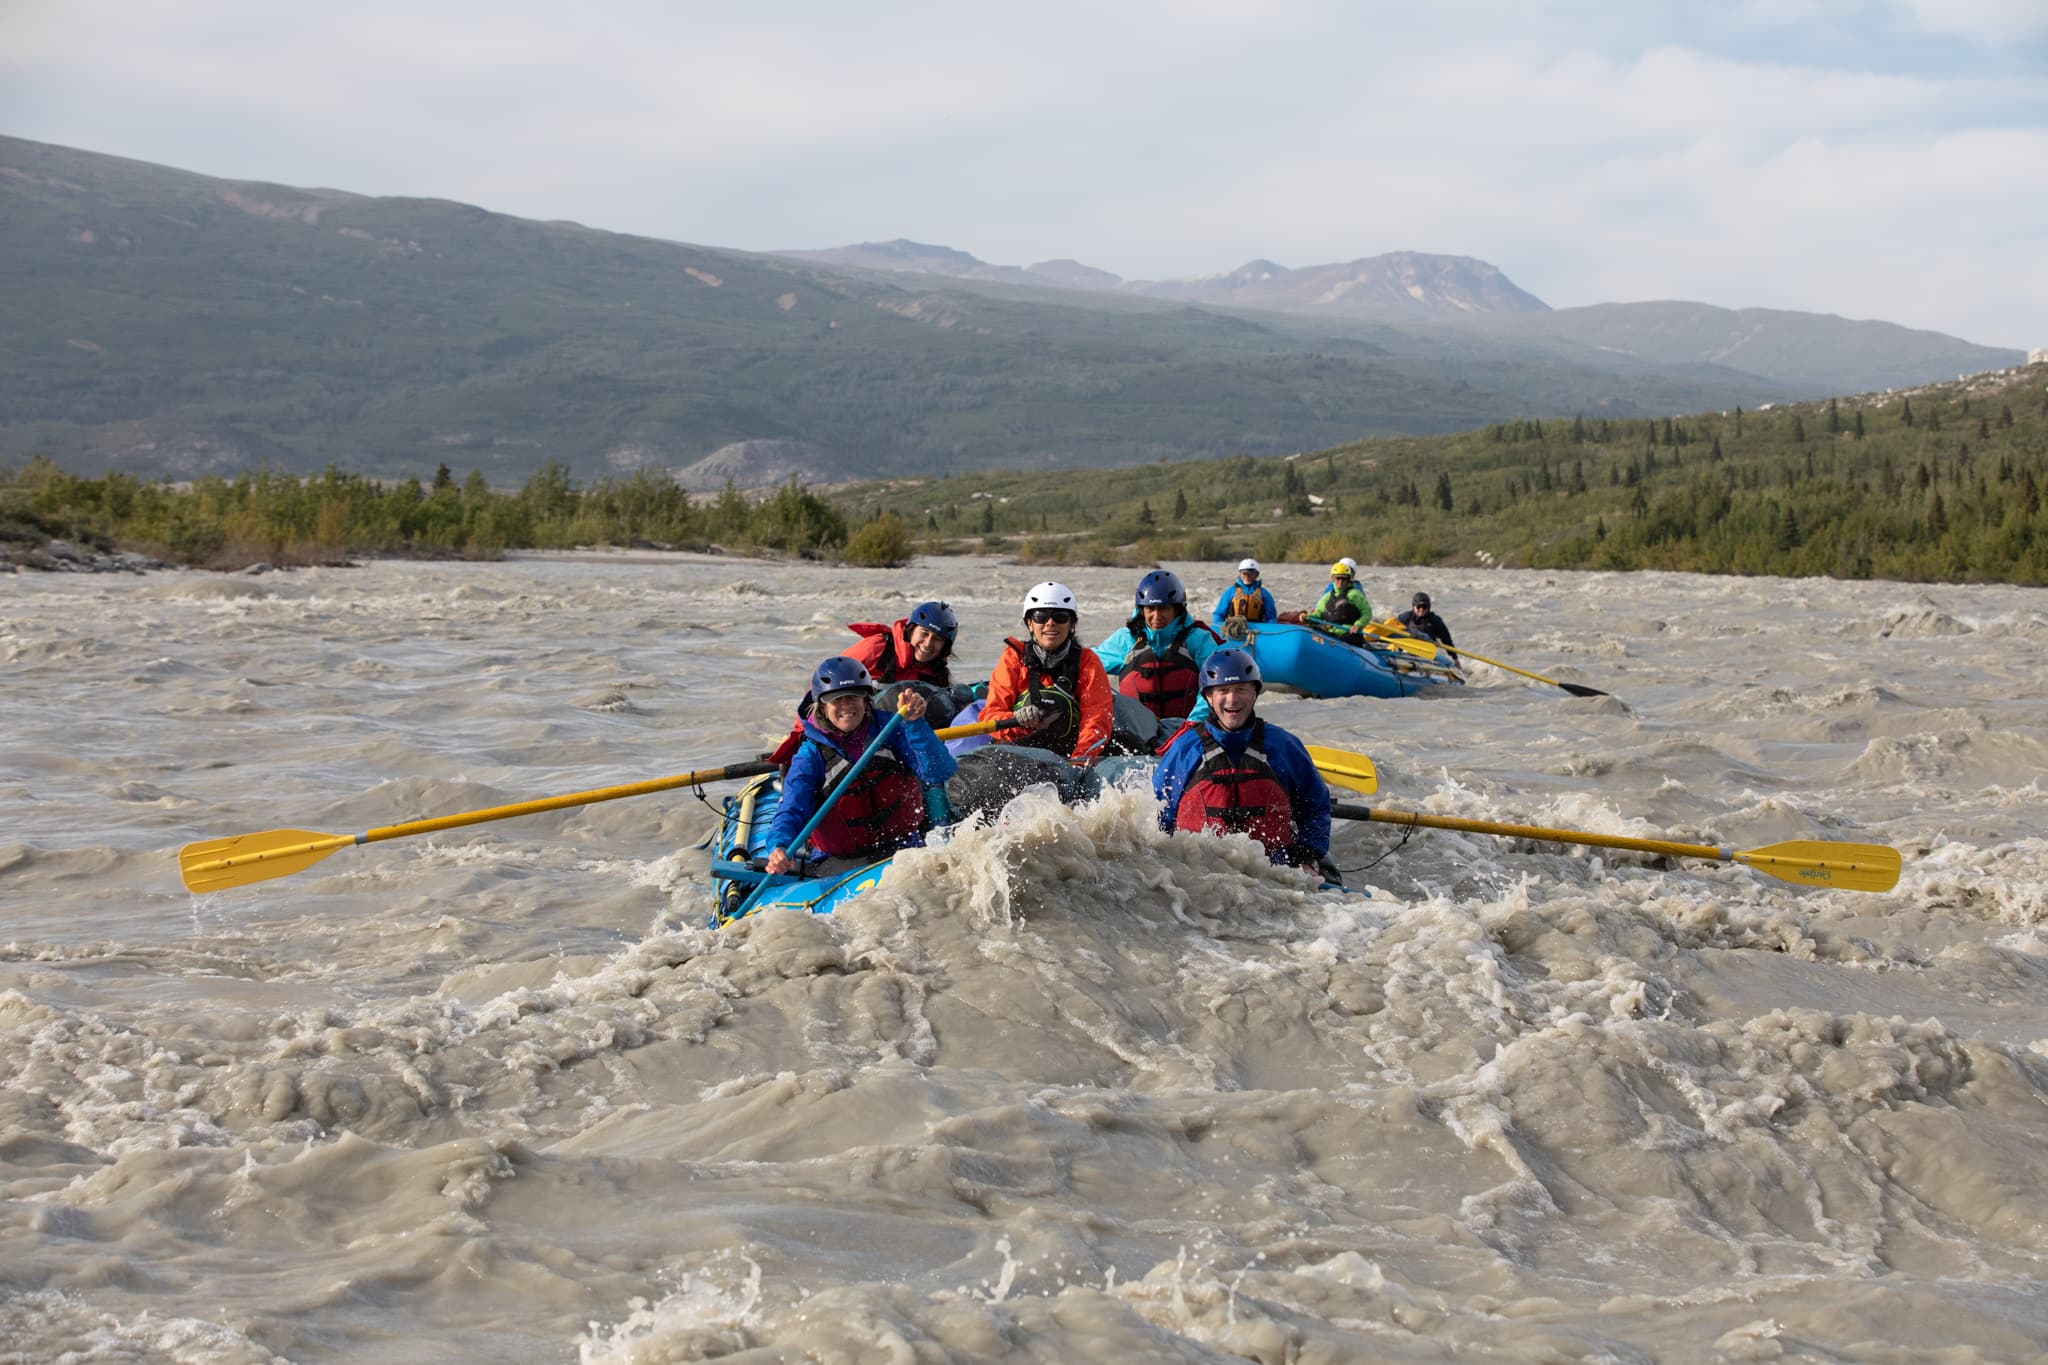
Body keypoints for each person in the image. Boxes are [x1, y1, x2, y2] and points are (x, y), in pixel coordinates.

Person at [764, 657, 957, 875]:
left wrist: (916, 724)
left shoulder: (892, 729)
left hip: (903, 848)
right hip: (842, 862)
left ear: (866, 700)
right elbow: (792, 810)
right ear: (822, 706)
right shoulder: (810, 757)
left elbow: (939, 771)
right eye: (836, 699)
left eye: (853, 697)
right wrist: (778, 847)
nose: (846, 706)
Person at [1153, 649, 1332, 872]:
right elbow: (1159, 812)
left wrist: (1307, 854)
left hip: (1276, 871)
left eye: (1241, 689)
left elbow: (1315, 804)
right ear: (1208, 696)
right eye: (1223, 690)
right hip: (1199, 873)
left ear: (1255, 693)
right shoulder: (1185, 748)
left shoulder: (1283, 745)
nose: (1232, 699)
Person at [768, 601, 961, 764]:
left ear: (945, 647)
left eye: (937, 639)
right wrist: (804, 735)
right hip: (854, 732)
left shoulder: (936, 671)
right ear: (911, 630)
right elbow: (824, 685)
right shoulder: (878, 648)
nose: (928, 644)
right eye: (924, 633)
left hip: (897, 738)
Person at [980, 582, 1115, 765]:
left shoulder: (1087, 662)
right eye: (1040, 616)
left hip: (1069, 754)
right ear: (1029, 623)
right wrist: (1018, 721)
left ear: (1072, 624)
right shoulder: (1013, 657)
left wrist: (1078, 763)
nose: (1050, 623)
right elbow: (990, 716)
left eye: (1060, 617)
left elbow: (1096, 719)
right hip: (1019, 752)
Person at [1096, 569, 1223, 730]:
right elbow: (1088, 664)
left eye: (1163, 608)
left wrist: (1192, 725)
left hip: (1188, 730)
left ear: (1177, 609)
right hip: (1137, 734)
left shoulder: (1198, 639)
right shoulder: (1126, 639)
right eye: (1150, 609)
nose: (1156, 616)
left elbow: (1216, 685)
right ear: (1142, 610)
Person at [1211, 559, 1277, 633]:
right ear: (1240, 574)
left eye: (1251, 574)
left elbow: (1271, 617)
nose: (1247, 576)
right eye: (1244, 573)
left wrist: (1270, 632)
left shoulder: (1264, 594)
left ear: (1256, 575)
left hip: (1257, 630)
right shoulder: (1230, 592)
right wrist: (1218, 629)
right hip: (1233, 629)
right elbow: (1219, 614)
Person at [1309, 562, 1372, 639]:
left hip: (1349, 634)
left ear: (1348, 579)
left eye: (1343, 578)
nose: (1340, 581)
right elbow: (1318, 614)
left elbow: (1367, 613)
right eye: (1338, 578)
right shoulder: (1327, 596)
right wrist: (1308, 618)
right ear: (1333, 578)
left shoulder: (1355, 594)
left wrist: (1357, 625)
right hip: (1331, 633)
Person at [1395, 591, 1457, 662]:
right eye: (1418, 607)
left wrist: (1455, 658)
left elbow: (1446, 639)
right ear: (1413, 606)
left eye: (1424, 607)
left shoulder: (1435, 621)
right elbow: (1393, 631)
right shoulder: (1405, 617)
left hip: (1426, 652)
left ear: (1428, 607)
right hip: (1406, 649)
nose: (1421, 610)